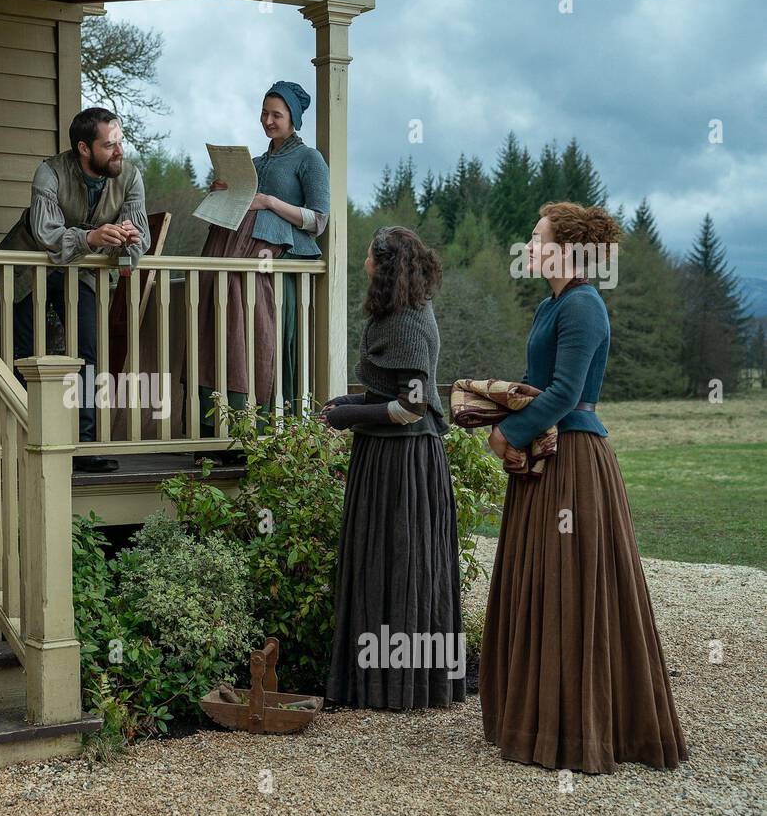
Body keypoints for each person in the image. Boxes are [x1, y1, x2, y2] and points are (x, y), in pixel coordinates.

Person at [482, 202, 688, 773]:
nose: (528, 242)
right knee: (545, 583)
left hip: (572, 461)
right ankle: (538, 719)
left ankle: (582, 733)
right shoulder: (552, 303)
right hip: (547, 459)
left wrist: (507, 433)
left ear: (566, 249)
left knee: (571, 588)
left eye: (536, 235)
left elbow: (569, 392)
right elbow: (545, 384)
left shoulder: (583, 305)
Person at [321, 227, 465, 709]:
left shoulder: (407, 321)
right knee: (379, 561)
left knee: (401, 562)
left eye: (368, 255)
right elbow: (389, 393)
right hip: (384, 455)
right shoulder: (397, 311)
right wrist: (350, 402)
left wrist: (348, 417)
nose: (363, 261)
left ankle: (400, 686)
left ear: (383, 267)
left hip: (404, 464)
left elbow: (414, 406)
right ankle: (375, 682)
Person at [0, 107, 151, 473]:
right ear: (84, 148)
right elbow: (47, 235)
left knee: (90, 349)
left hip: (81, 270)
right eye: (109, 145)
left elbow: (141, 238)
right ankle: (25, 438)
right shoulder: (49, 172)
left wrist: (126, 241)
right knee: (25, 349)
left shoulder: (129, 176)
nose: (119, 151)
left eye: (120, 142)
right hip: (28, 263)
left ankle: (85, 443)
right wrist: (91, 236)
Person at [197, 81, 329, 436]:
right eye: (264, 113)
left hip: (274, 265)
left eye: (277, 115)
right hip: (234, 255)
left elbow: (318, 220)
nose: (268, 121)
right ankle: (216, 428)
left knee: (256, 339)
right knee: (224, 334)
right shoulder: (255, 163)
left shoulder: (309, 159)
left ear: (293, 119)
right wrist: (225, 193)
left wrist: (269, 201)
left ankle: (254, 429)